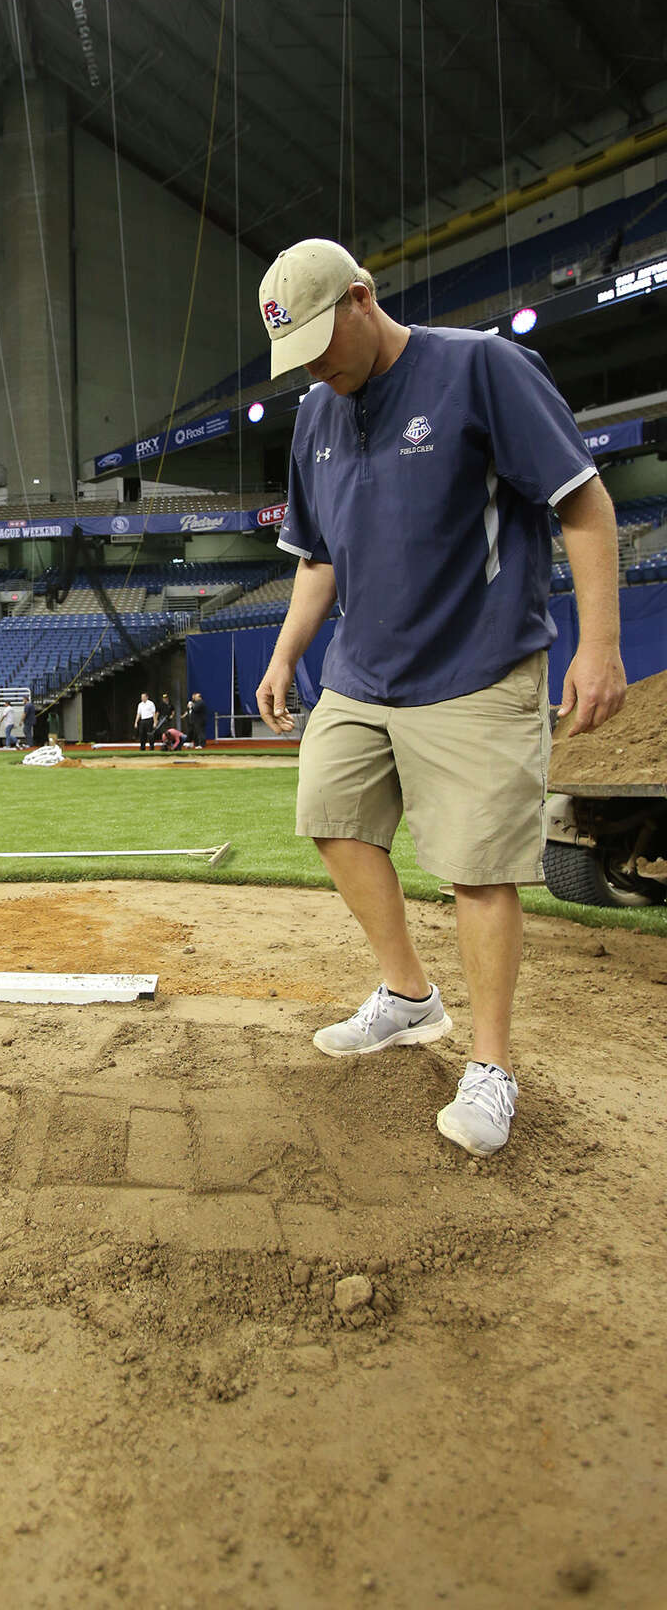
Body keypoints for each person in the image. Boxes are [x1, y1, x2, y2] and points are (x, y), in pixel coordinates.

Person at [254, 238, 625, 1157]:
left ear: (361, 299)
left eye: (319, 344)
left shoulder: (483, 367)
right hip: (362, 669)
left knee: (478, 867)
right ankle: (411, 996)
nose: (317, 369)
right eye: (295, 356)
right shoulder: (315, 414)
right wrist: (283, 650)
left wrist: (602, 646)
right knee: (330, 814)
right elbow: (319, 560)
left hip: (478, 663)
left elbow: (584, 504)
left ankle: (491, 1067)